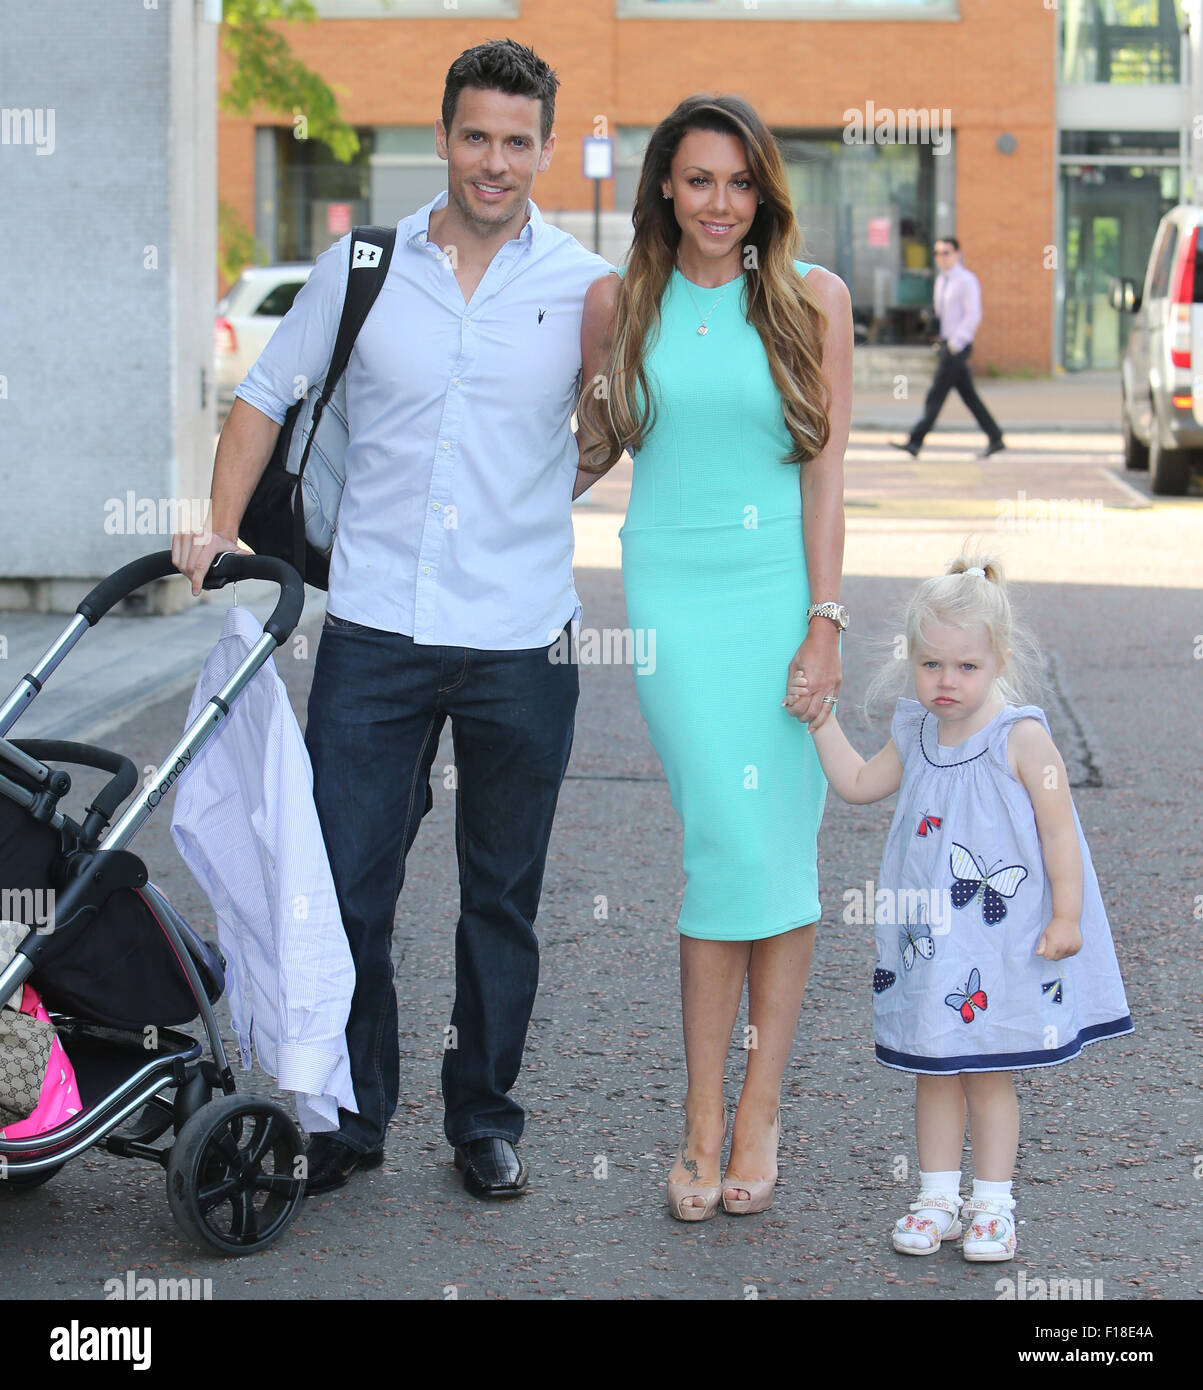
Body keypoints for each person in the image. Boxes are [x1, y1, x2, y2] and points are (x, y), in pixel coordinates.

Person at [173, 39, 611, 1199]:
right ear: (443, 137)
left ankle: (484, 1118)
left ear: (546, 151)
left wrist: (548, 487)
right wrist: (220, 531)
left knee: (499, 896)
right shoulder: (364, 265)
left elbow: (613, 426)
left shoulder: (583, 284)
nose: (496, 161)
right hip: (374, 626)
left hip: (524, 635)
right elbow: (264, 396)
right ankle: (352, 1112)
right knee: (348, 881)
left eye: (519, 142)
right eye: (477, 136)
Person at [575, 94, 852, 1220]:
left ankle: (758, 1111)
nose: (720, 205)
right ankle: (701, 1110)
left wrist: (827, 619)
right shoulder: (618, 299)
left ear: (764, 192)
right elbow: (588, 455)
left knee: (777, 851)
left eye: (740, 183)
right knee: (725, 839)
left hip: (779, 592)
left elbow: (827, 475)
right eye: (698, 181)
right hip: (674, 601)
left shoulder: (809, 298)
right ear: (664, 188)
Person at [794, 555, 1133, 1260]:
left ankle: (993, 1205)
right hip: (930, 936)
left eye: (965, 668)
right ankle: (935, 1197)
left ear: (997, 661)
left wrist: (1065, 916)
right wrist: (820, 721)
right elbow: (859, 782)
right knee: (933, 1067)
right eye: (930, 665)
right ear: (911, 661)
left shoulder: (1022, 737)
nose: (945, 682)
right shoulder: (915, 730)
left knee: (987, 1070)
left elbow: (1058, 830)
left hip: (1004, 941)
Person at [891, 237, 1006, 460]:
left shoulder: (966, 280)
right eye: (937, 253)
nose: (941, 257)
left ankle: (915, 441)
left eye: (946, 252)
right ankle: (995, 436)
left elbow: (973, 314)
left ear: (958, 254)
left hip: (957, 347)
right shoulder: (941, 281)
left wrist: (955, 343)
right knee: (969, 396)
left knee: (936, 394)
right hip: (946, 345)